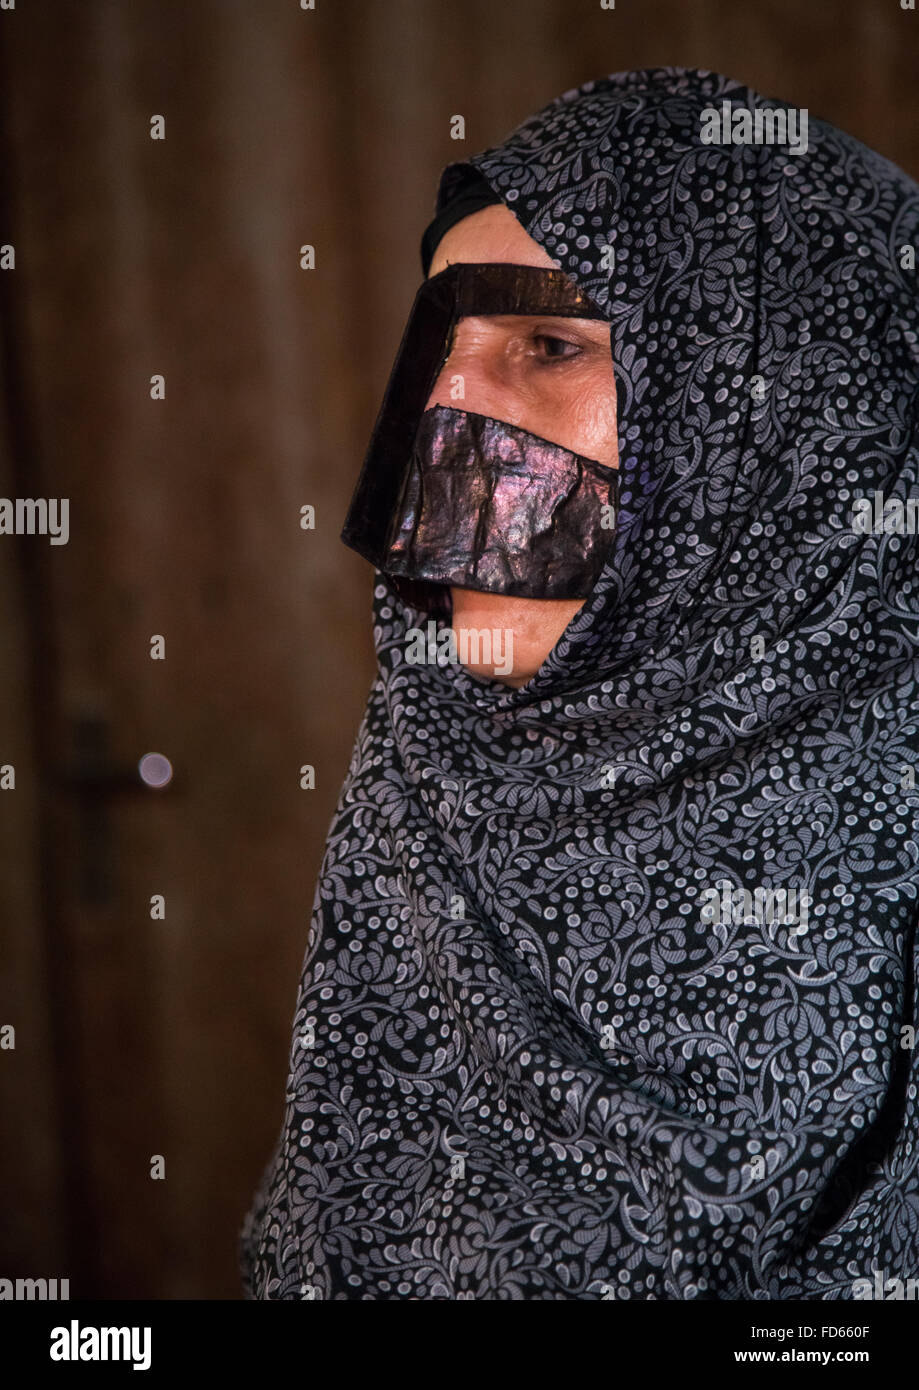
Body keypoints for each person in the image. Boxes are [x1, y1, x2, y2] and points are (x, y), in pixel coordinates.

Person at [240, 67, 919, 1299]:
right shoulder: (426, 771)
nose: (443, 406)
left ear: (790, 425)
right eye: (438, 345)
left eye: (547, 343)